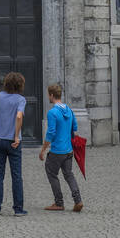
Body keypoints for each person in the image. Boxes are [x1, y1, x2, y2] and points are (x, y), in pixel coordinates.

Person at [39, 84, 83, 212]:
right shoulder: (68, 110)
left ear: (52, 95)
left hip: (57, 151)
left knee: (51, 173)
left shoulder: (52, 112)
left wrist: (43, 150)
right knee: (69, 175)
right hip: (68, 150)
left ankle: (59, 202)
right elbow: (74, 128)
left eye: (48, 94)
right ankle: (78, 200)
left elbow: (51, 133)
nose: (48, 96)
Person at [0, 72, 27, 216]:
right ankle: (18, 209)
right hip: (13, 141)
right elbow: (19, 116)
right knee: (16, 175)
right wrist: (16, 136)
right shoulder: (20, 99)